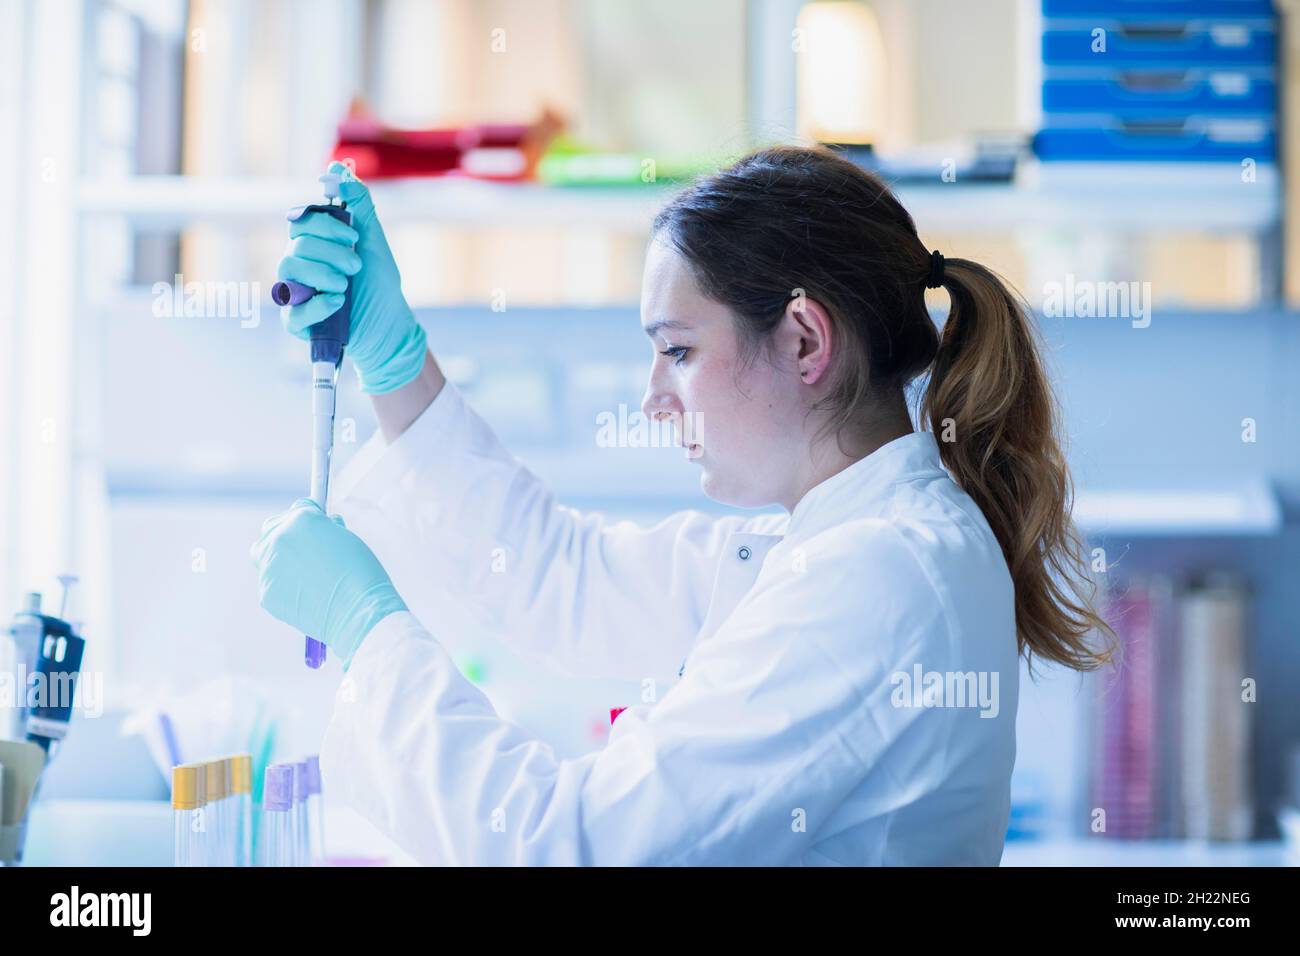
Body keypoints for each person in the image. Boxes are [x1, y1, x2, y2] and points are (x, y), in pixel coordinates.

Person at [251, 147, 1114, 865]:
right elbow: (558, 574)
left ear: (806, 339)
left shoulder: (879, 573)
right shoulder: (837, 543)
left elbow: (568, 846)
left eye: (679, 350)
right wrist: (393, 358)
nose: (653, 398)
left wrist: (368, 628)